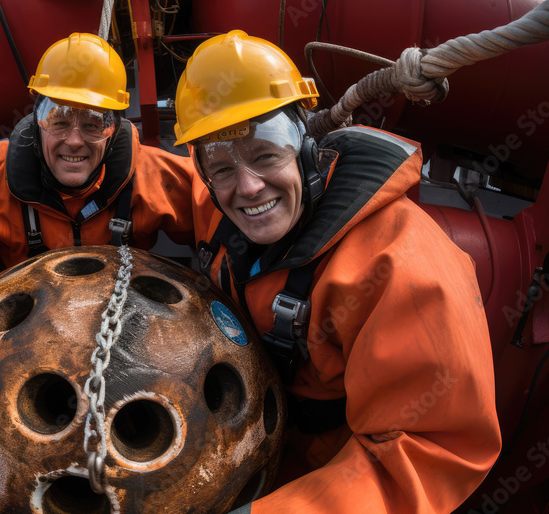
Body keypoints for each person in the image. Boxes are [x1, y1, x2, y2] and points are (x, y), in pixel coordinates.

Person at [175, 31, 501, 513]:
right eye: (219, 166)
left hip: (326, 475)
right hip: (250, 439)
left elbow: (427, 450)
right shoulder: (224, 211)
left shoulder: (399, 267)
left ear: (307, 147)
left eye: (267, 153)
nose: (247, 186)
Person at [0, 32, 196, 280]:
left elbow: (213, 195)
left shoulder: (152, 178)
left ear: (113, 131)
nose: (75, 141)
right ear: (37, 123)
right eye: (59, 122)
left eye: (93, 125)